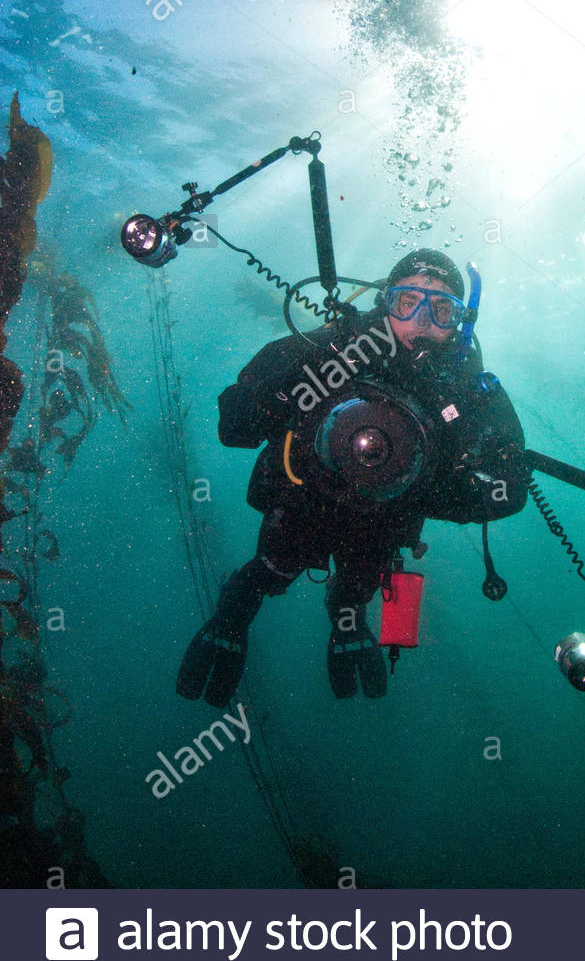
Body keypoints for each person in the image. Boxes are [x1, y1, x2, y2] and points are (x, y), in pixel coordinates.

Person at [177, 249, 527, 706]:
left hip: (383, 524)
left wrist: (421, 487)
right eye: (408, 302)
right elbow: (234, 426)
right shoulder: (338, 347)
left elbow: (510, 489)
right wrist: (305, 379)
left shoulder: (466, 389)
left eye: (441, 309)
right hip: (302, 501)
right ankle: (233, 613)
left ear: (460, 322)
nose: (421, 320)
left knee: (358, 585)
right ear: (385, 302)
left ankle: (347, 618)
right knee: (272, 568)